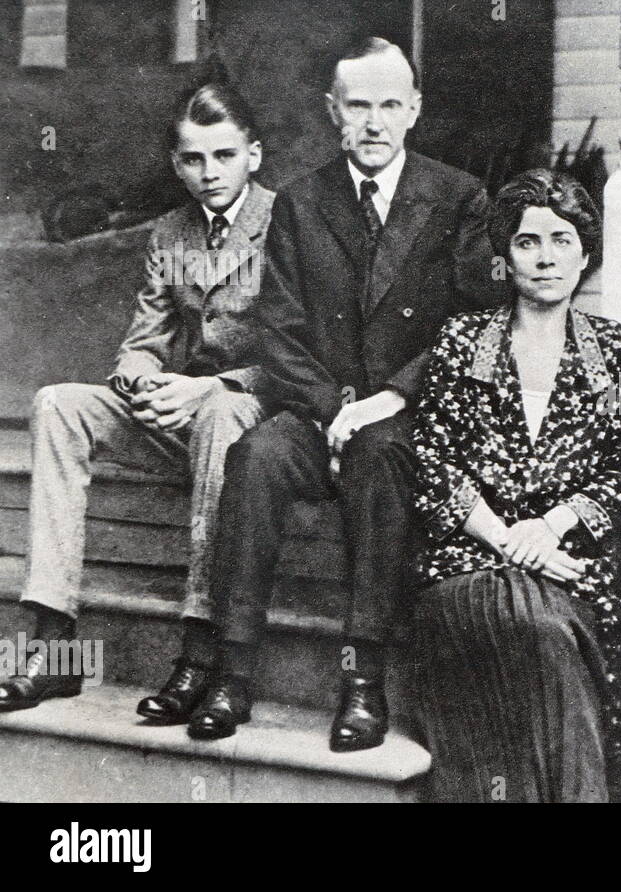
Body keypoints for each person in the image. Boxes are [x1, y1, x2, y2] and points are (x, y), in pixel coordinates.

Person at [184, 37, 503, 750]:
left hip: (402, 412)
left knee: (384, 464)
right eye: (358, 106)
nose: (374, 122)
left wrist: (392, 395)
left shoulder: (457, 198)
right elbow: (278, 329)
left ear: (415, 110)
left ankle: (363, 683)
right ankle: (232, 672)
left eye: (391, 105)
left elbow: (477, 321)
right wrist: (334, 410)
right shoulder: (301, 203)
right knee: (255, 456)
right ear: (333, 112)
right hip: (319, 409)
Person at [0, 84, 273, 716]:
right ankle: (53, 644)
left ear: (253, 156)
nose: (209, 174)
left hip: (253, 417)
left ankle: (199, 645)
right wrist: (140, 383)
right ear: (177, 164)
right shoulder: (171, 233)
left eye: (224, 156)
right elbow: (142, 342)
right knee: (57, 405)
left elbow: (303, 358)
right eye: (193, 159)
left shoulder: (287, 225)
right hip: (179, 414)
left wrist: (207, 388)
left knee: (221, 411)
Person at [410, 169, 621, 801]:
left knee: (548, 627)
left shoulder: (616, 353)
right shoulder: (462, 342)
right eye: (527, 242)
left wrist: (552, 528)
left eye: (562, 240)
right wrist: (508, 538)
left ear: (586, 253)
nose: (546, 258)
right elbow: (434, 461)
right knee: (536, 628)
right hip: (465, 565)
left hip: (568, 568)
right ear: (504, 257)